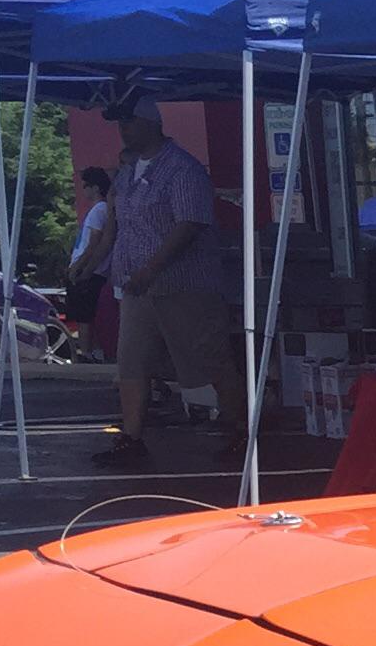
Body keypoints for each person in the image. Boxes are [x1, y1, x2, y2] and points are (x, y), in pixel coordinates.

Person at [96, 88, 245, 470]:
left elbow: (189, 224)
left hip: (184, 285)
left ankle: (242, 430)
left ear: (151, 122)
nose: (123, 131)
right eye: (120, 124)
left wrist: (153, 268)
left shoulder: (183, 169)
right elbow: (120, 225)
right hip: (137, 286)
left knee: (209, 358)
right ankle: (131, 437)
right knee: (131, 361)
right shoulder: (129, 172)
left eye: (129, 123)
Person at [65, 168, 114, 352]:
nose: (83, 190)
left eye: (86, 186)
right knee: (84, 315)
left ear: (95, 187)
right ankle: (92, 351)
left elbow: (94, 243)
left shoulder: (99, 210)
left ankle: (86, 352)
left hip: (89, 271)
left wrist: (79, 266)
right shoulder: (100, 209)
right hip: (91, 270)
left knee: (84, 317)